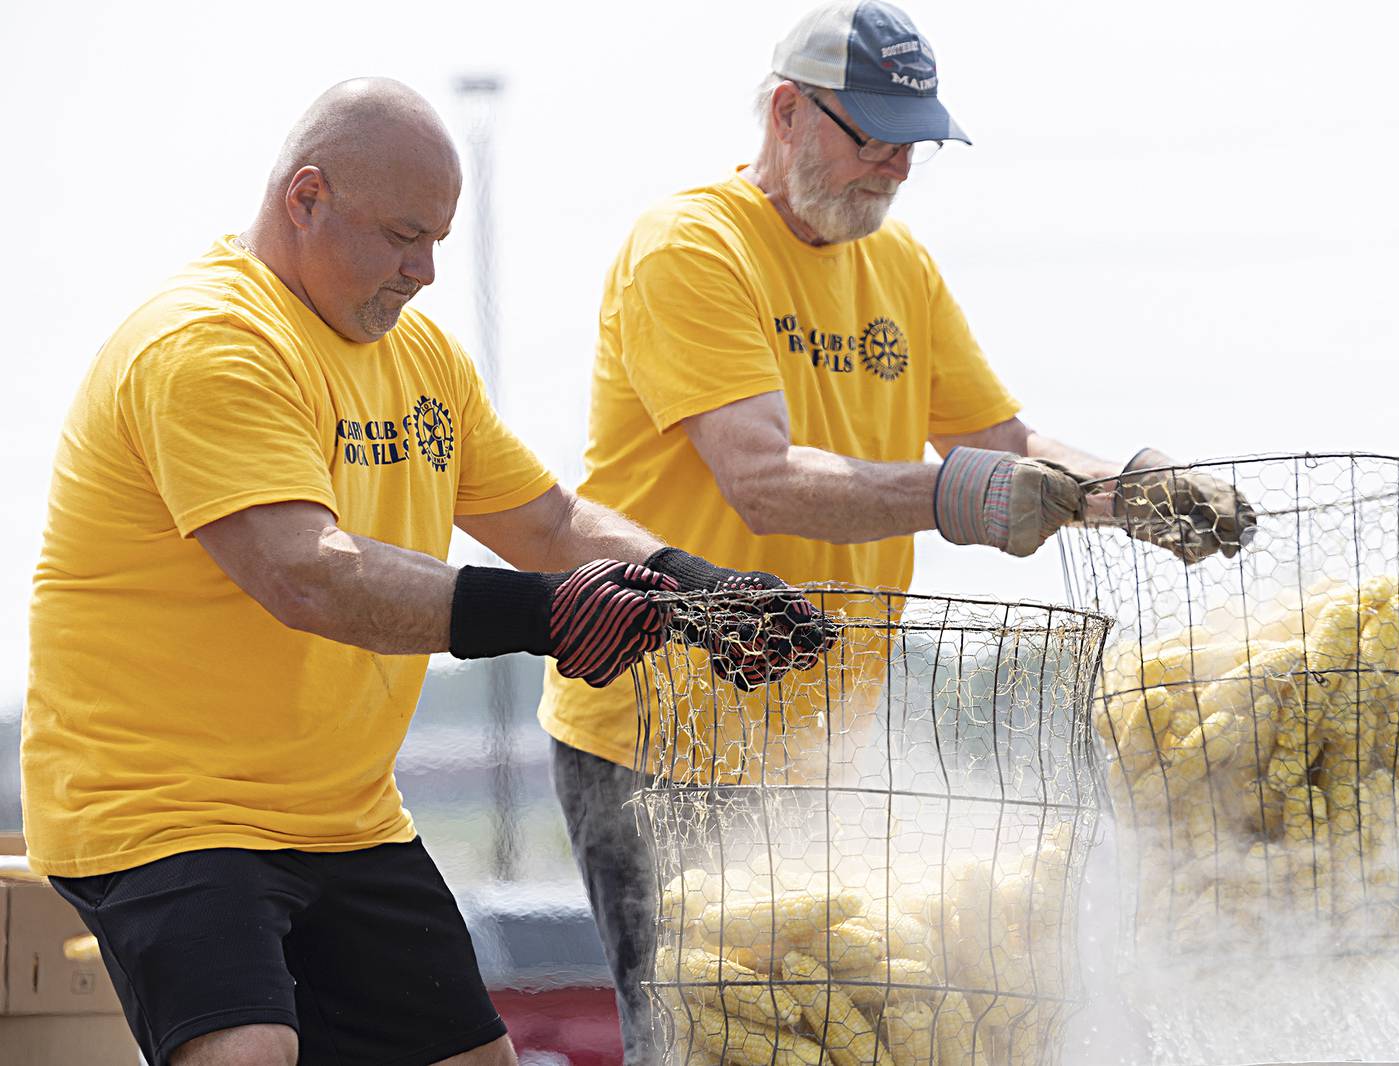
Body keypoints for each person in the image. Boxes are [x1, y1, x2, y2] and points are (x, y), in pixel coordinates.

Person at [21, 78, 823, 1066]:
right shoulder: (210, 346)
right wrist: (546, 616)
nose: (428, 271)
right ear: (305, 197)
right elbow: (304, 574)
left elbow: (545, 518)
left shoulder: (420, 359)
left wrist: (696, 586)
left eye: (439, 238)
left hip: (340, 810)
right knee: (249, 1051)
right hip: (163, 804)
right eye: (404, 236)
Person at [533, 2, 1257, 1060]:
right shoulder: (689, 248)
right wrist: (956, 496)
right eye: (870, 134)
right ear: (787, 111)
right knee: (706, 1038)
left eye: (913, 141)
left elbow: (1000, 438)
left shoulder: (897, 268)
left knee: (842, 1034)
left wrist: (1129, 489)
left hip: (821, 736)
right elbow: (762, 480)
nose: (898, 166)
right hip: (662, 728)